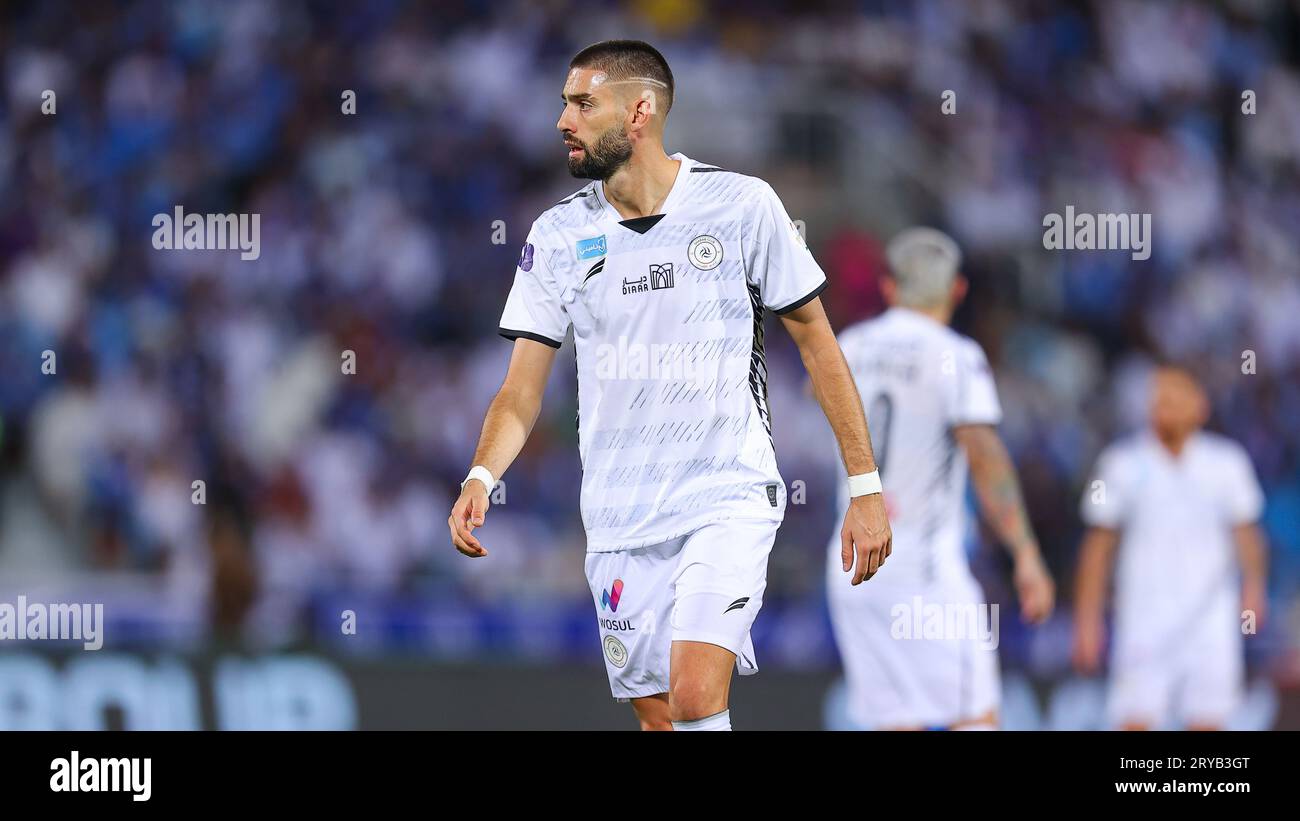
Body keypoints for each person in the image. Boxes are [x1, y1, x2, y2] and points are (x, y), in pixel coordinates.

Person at [447, 40, 892, 731]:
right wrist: (482, 474)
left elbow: (818, 345)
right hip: (620, 515)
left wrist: (864, 486)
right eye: (565, 101)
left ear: (641, 112)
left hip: (726, 493)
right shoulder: (559, 235)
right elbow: (521, 390)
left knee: (693, 694)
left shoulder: (742, 206)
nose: (563, 119)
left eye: (583, 103)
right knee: (661, 720)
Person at [827, 227, 1054, 730]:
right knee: (974, 717)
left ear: (889, 287)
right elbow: (986, 459)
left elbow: (811, 394)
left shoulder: (847, 346)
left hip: (851, 565)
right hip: (924, 572)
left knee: (893, 722)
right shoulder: (958, 357)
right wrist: (1026, 553)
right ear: (957, 290)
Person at [1073, 365, 1268, 730]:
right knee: (1135, 721)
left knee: (1209, 721)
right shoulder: (1119, 464)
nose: (1167, 407)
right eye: (1160, 398)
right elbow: (1097, 548)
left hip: (1211, 616)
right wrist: (1087, 619)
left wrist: (1253, 590)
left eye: (1177, 397)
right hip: (1143, 619)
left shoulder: (1227, 464)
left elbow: (1247, 535)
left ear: (1200, 406)